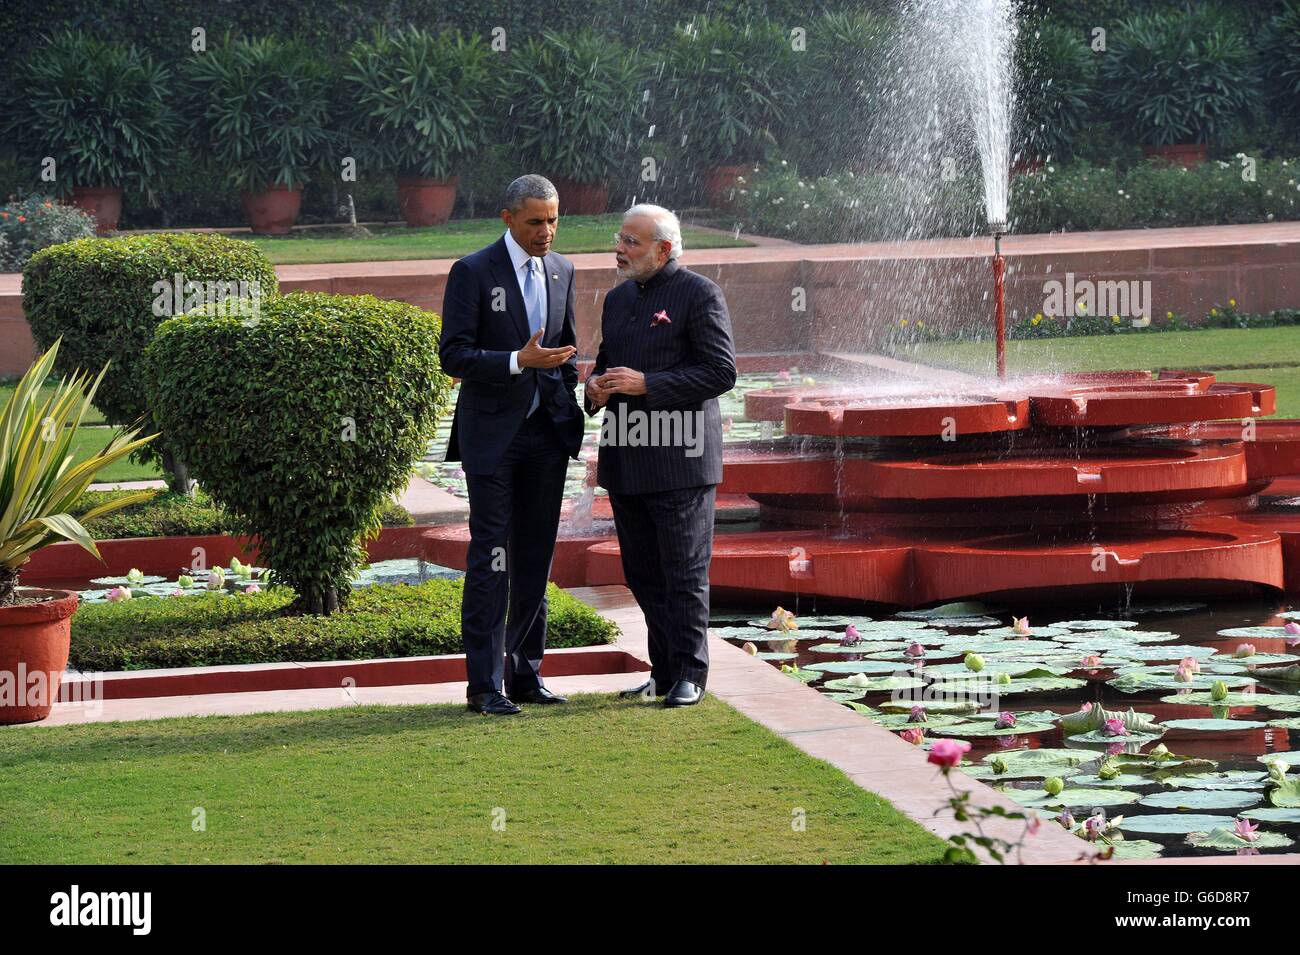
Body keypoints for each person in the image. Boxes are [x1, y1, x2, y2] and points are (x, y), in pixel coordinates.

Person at [439, 175, 584, 715]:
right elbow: (452, 356)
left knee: (534, 558)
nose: (546, 231)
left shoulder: (563, 270)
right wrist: (514, 361)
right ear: (507, 219)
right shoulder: (473, 272)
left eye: (553, 220)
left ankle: (525, 674)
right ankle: (484, 686)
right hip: (493, 439)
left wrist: (577, 393)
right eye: (534, 222)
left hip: (546, 436)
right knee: (491, 558)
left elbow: (565, 351)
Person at [584, 204, 737, 707]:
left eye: (631, 242)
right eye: (619, 238)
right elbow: (606, 364)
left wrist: (650, 384)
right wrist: (595, 387)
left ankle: (690, 675)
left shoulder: (699, 293)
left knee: (684, 571)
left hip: (682, 459)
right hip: (628, 456)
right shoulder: (619, 297)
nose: (619, 250)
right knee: (643, 573)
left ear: (663, 249)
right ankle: (663, 672)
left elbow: (720, 373)